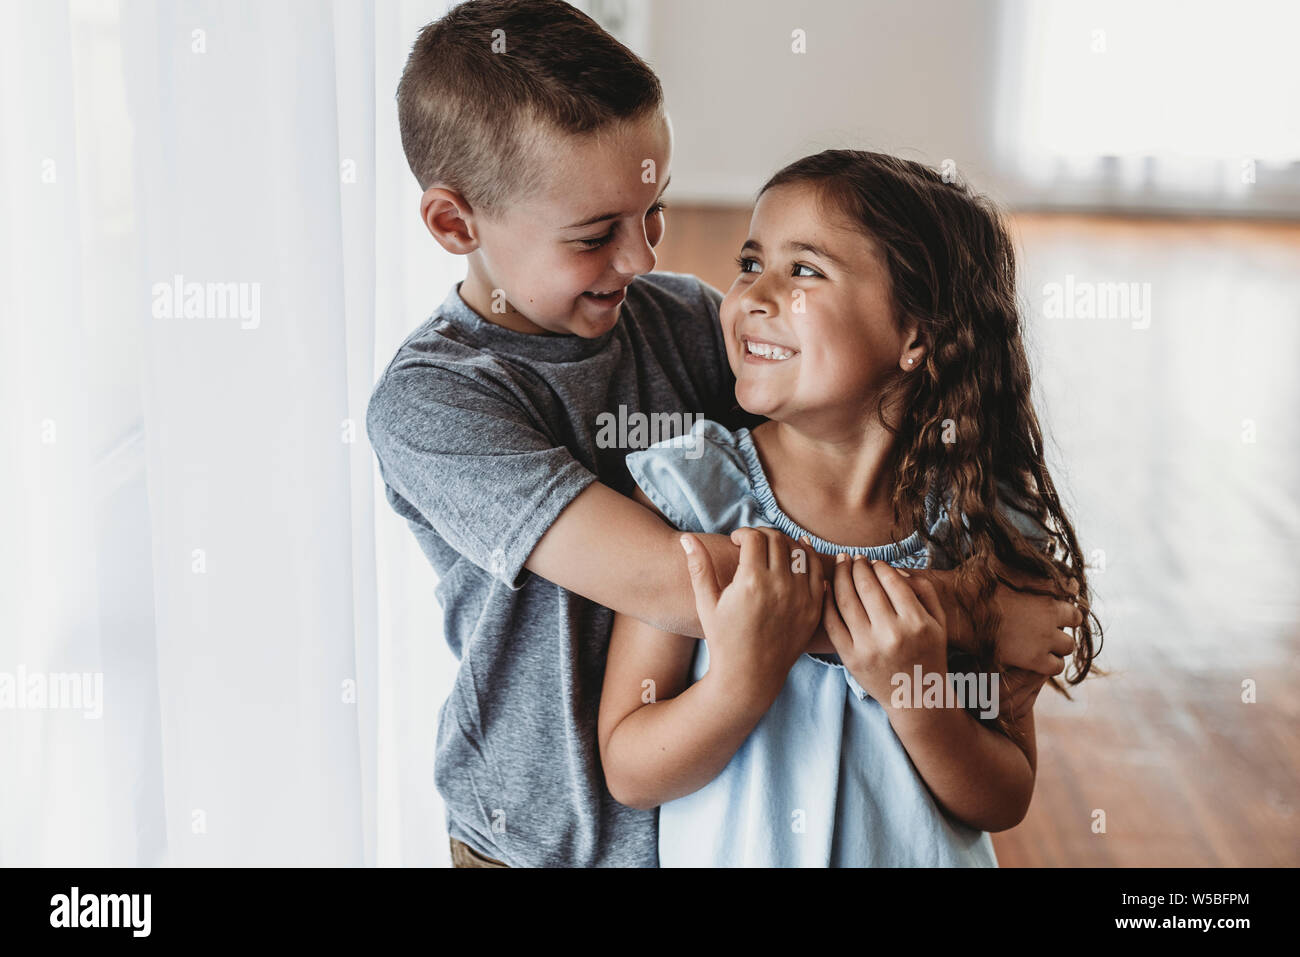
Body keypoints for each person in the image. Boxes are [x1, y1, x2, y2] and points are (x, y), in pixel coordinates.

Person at [368, 0, 1081, 867]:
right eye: (596, 235)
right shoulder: (434, 403)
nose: (642, 258)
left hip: (717, 823)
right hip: (542, 843)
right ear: (455, 225)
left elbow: (820, 455)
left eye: (654, 211)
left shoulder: (684, 323)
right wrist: (971, 607)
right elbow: (691, 581)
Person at [598, 150, 1099, 866]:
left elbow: (1005, 793)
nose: (750, 296)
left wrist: (914, 696)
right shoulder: (694, 493)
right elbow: (630, 765)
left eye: (803, 270)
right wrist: (739, 684)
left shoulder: (982, 520)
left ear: (917, 336)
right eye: (750, 262)